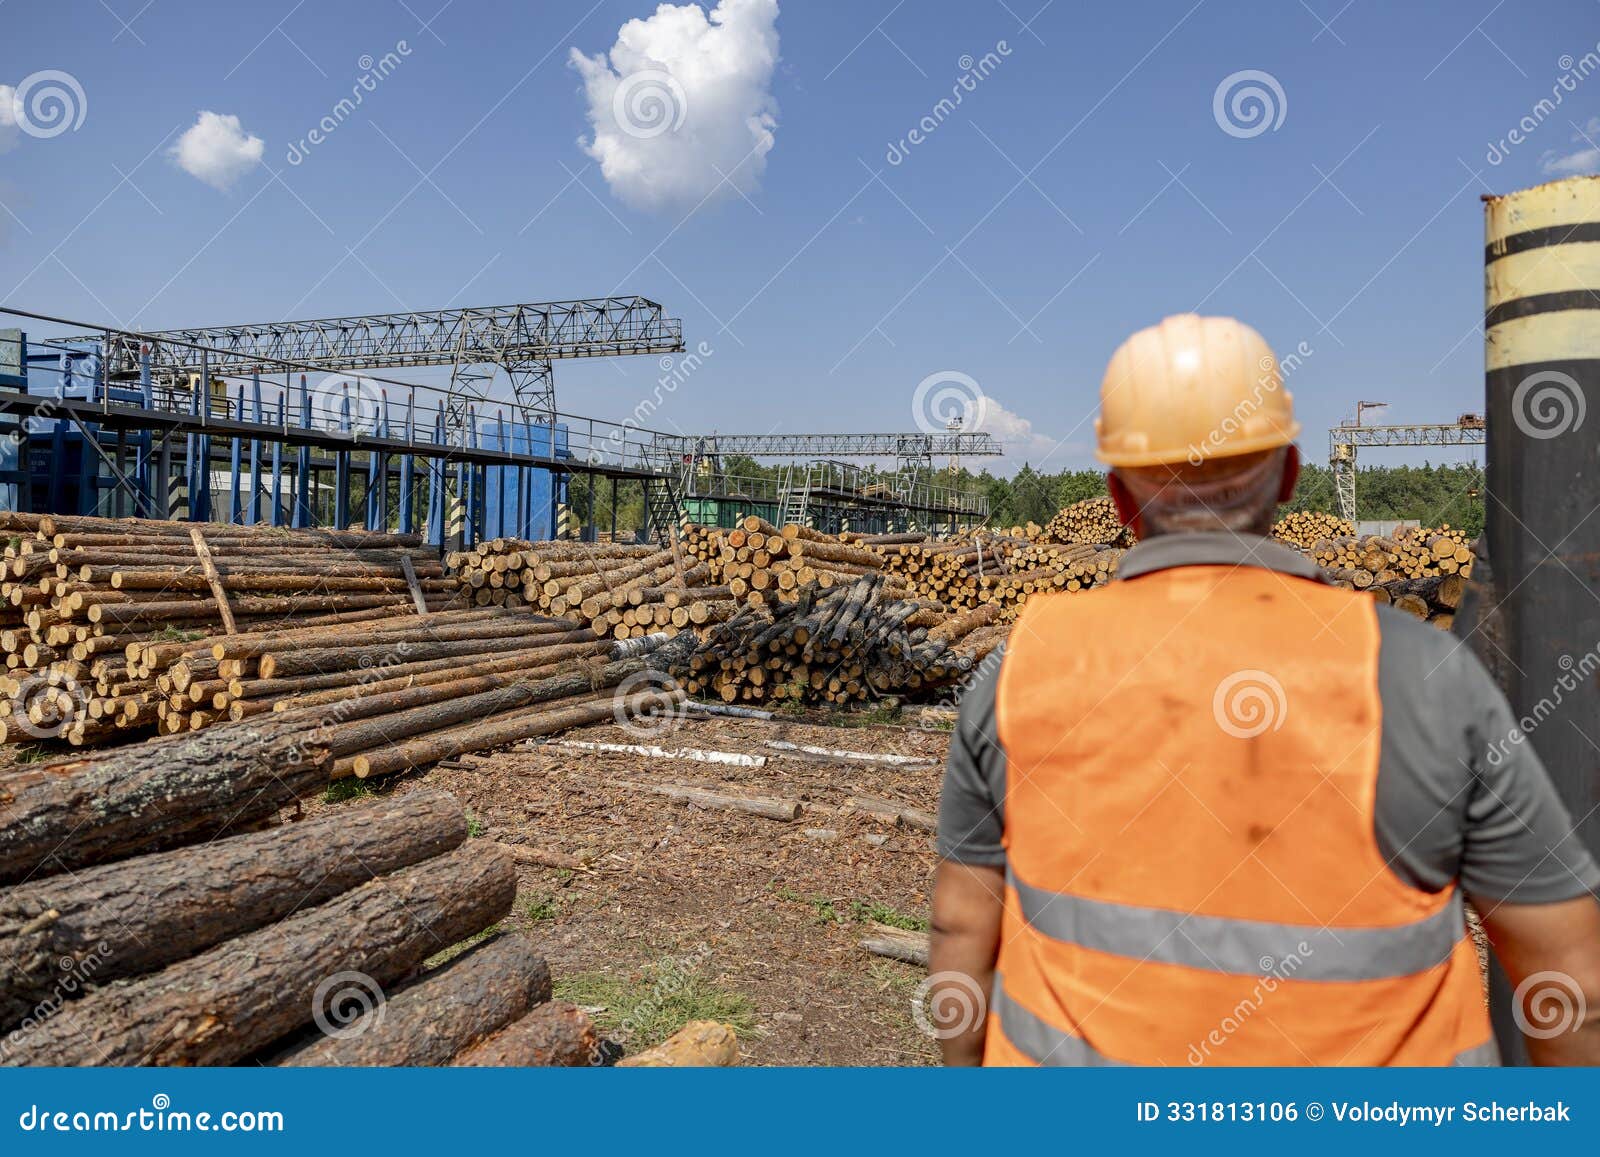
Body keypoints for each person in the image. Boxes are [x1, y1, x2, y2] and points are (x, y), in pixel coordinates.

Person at [929, 313, 1600, 1066]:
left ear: (1118, 499)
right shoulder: (1422, 674)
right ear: (1288, 473)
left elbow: (962, 930)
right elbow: (1571, 982)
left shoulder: (1021, 666)